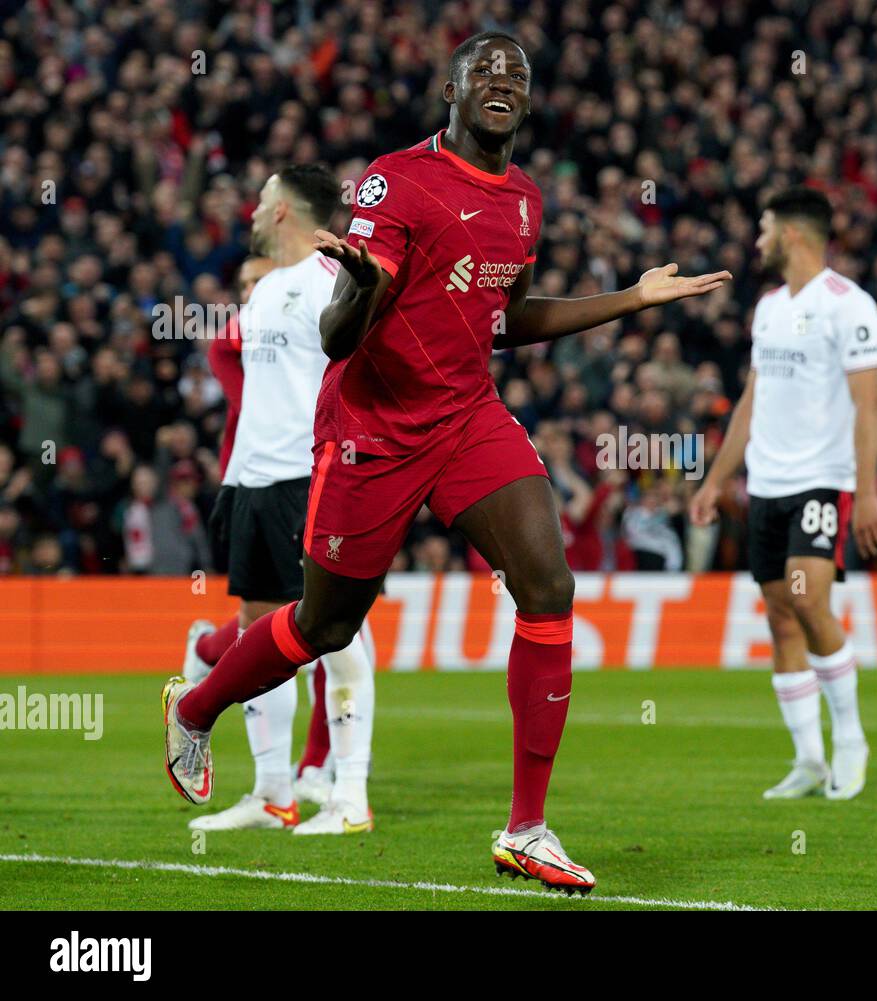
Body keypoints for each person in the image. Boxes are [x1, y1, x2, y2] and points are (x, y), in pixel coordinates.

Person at [162, 31, 730, 895]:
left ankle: (527, 827)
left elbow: (512, 318)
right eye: (485, 71)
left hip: (467, 415)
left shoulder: (527, 201)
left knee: (549, 586)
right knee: (324, 626)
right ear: (453, 92)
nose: (502, 81)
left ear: (527, 102)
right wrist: (361, 287)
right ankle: (195, 707)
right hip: (374, 429)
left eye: (517, 74)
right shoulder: (397, 179)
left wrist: (633, 300)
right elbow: (335, 336)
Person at [172, 166, 377, 836]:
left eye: (263, 197)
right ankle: (273, 791)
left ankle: (350, 795)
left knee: (337, 632)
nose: (254, 207)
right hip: (251, 483)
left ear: (285, 209)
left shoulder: (332, 281)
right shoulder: (266, 291)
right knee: (263, 635)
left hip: (308, 481)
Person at [690, 187, 877, 801]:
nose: (758, 240)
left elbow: (869, 407)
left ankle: (850, 739)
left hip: (821, 482)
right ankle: (807, 757)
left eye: (765, 229)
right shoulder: (770, 307)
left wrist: (868, 489)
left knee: (808, 602)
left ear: (793, 235)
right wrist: (717, 480)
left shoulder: (850, 307)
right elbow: (753, 400)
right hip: (767, 486)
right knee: (780, 618)